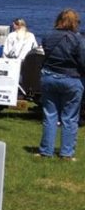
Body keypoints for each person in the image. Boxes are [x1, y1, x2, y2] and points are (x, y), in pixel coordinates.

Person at [37, 9, 85, 160]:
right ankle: (66, 153)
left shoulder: (48, 36)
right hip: (71, 79)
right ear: (75, 22)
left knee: (50, 116)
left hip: (49, 77)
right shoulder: (78, 40)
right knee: (70, 118)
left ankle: (46, 151)